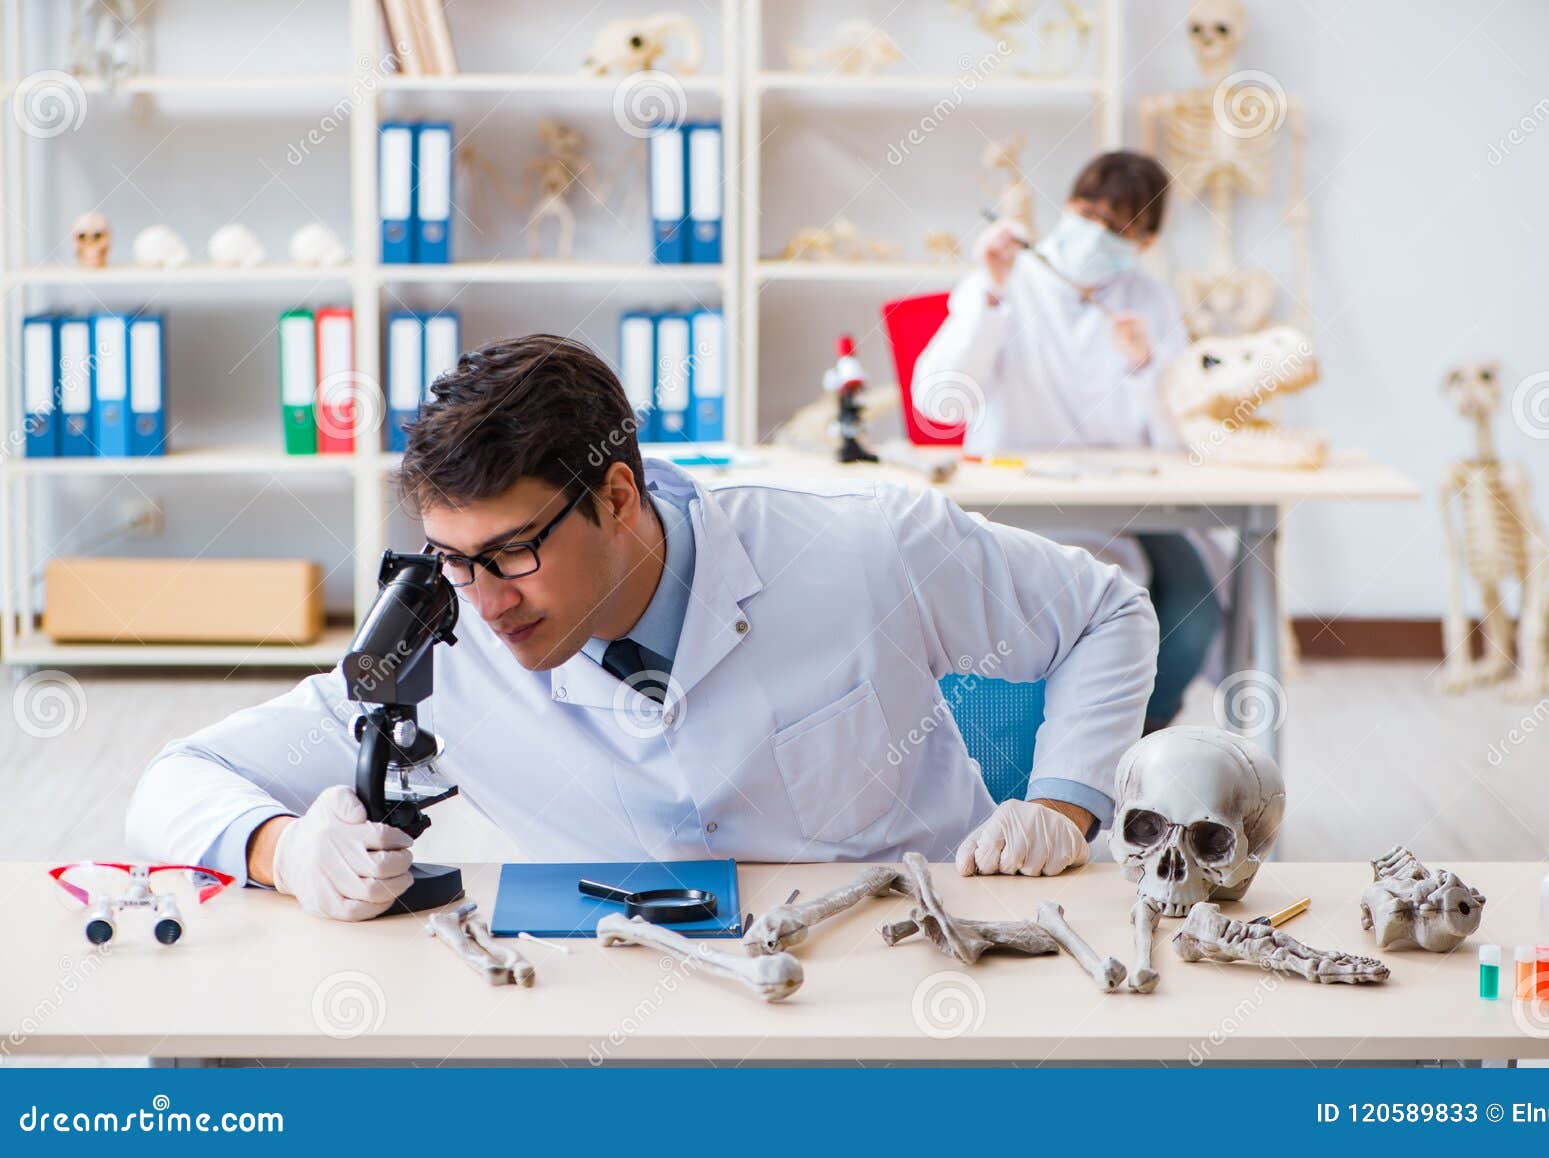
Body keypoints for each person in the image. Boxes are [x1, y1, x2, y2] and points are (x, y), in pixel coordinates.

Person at [126, 335, 1157, 921]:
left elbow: (1105, 608)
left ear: (617, 497)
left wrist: (1065, 806)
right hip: (630, 1015)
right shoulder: (445, 641)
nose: (484, 602)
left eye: (513, 554)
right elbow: (174, 778)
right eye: (454, 558)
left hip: (916, 961)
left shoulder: (866, 546)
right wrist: (282, 851)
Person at [912, 150, 1220, 731]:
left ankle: (1130, 742)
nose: (1096, 233)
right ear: (1068, 208)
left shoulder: (1149, 301)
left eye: (1118, 226)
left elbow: (1179, 440)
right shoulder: (1006, 281)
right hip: (1010, 505)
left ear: (1145, 242)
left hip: (1125, 510)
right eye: (1088, 214)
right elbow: (937, 398)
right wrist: (994, 295)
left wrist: (1145, 368)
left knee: (1195, 614)